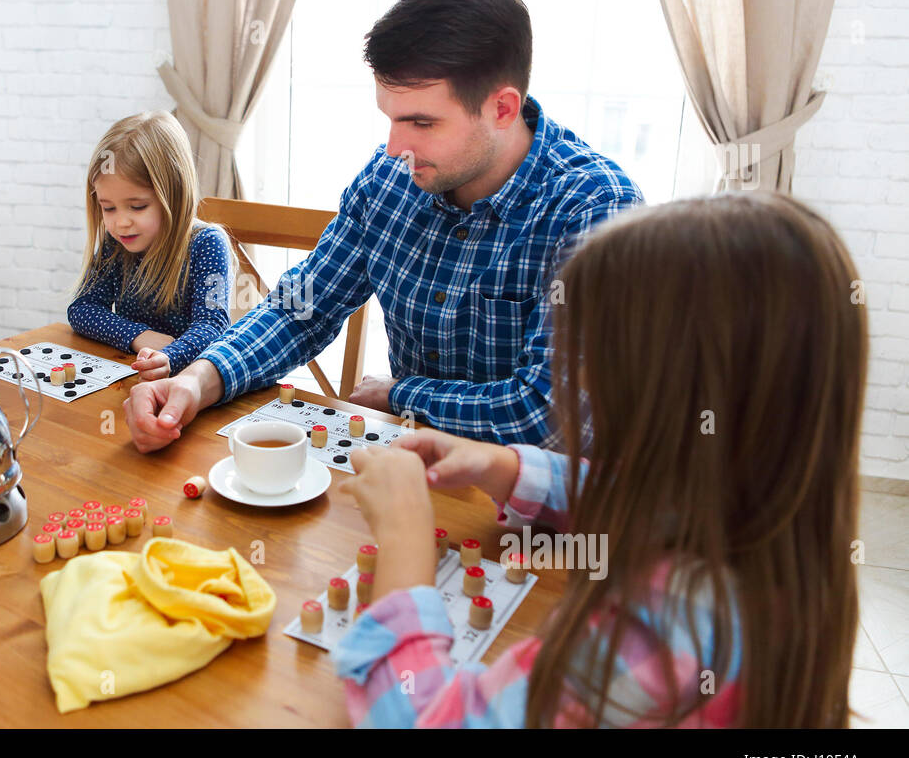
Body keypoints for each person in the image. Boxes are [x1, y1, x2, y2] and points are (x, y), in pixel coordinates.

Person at [336, 192, 865, 728]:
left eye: (600, 354)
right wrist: (505, 468)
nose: (581, 378)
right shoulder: (781, 533)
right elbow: (657, 499)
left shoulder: (659, 637)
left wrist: (404, 542)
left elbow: (428, 720)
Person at [124, 0, 643, 452]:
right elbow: (302, 308)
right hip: (410, 474)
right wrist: (197, 380)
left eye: (421, 123)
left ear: (502, 109)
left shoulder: (597, 210)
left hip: (540, 516)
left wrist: (402, 395)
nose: (395, 148)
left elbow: (549, 416)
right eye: (389, 119)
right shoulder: (389, 179)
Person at [68, 111, 232, 381]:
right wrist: (138, 337)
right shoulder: (116, 243)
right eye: (108, 208)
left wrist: (169, 355)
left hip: (190, 383)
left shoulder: (207, 243)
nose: (121, 222)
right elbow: (83, 308)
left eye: (137, 206)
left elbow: (211, 326)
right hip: (135, 376)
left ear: (175, 193)